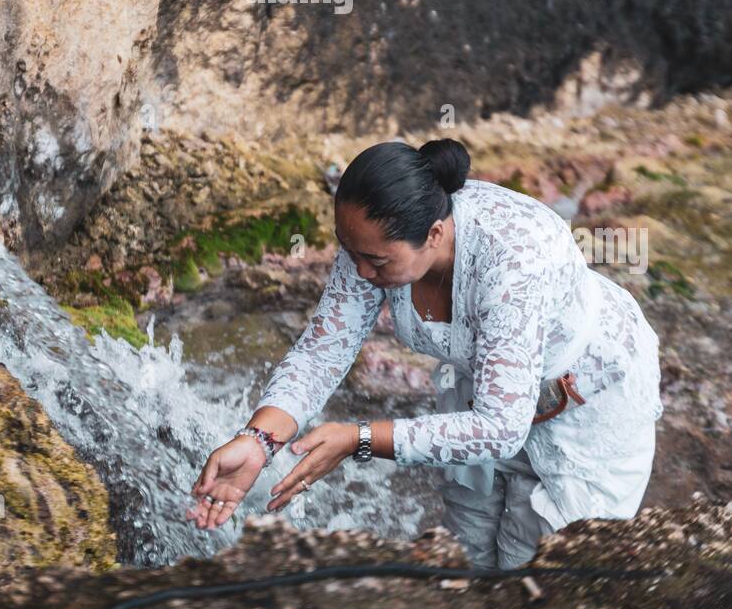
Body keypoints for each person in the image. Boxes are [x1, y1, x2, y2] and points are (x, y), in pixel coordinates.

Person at [185, 138, 664, 572]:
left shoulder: (513, 260)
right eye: (350, 252)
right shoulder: (373, 238)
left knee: (537, 567)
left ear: (434, 235)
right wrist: (259, 439)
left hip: (585, 399)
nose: (361, 272)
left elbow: (501, 427)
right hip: (490, 390)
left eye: (377, 262)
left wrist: (361, 439)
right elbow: (324, 349)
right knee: (469, 554)